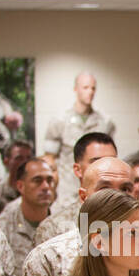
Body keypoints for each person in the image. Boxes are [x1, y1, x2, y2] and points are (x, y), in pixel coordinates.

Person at [44, 73, 116, 208]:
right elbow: (49, 159)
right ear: (75, 89)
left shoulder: (105, 122)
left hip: (97, 191)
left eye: (93, 88)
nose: (90, 92)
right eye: (86, 87)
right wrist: (51, 189)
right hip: (67, 192)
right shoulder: (59, 121)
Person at [36, 132, 119, 246]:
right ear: (78, 170)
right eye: (96, 161)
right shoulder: (53, 228)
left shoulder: (135, 220)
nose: (106, 168)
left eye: (111, 161)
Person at [0, 157, 57, 276]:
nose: (45, 187)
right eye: (37, 180)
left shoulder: (65, 227)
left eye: (49, 180)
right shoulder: (0, 230)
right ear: (21, 186)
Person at [0, 140, 33, 218]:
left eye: (28, 158)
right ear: (6, 162)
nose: (25, 162)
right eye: (19, 158)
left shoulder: (37, 192)